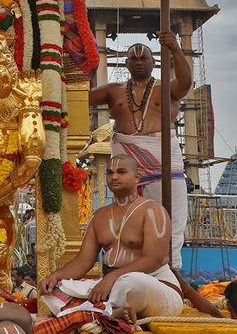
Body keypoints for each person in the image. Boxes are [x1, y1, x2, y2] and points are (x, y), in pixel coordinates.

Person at [88, 35, 192, 267]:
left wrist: (175, 48)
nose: (138, 62)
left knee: (172, 219)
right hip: (127, 163)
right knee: (129, 218)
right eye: (133, 59)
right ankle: (130, 267)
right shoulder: (114, 90)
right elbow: (80, 96)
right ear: (126, 63)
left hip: (164, 160)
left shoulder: (166, 88)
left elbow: (185, 84)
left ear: (153, 62)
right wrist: (85, 60)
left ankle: (171, 269)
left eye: (143, 58)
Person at [39, 155, 182, 322]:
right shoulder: (100, 216)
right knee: (56, 288)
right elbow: (83, 262)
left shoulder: (153, 210)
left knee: (129, 283)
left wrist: (111, 278)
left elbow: (154, 259)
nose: (114, 177)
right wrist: (56, 276)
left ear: (137, 177)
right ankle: (108, 311)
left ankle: (102, 312)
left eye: (121, 172)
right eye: (110, 172)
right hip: (115, 287)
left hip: (155, 287)